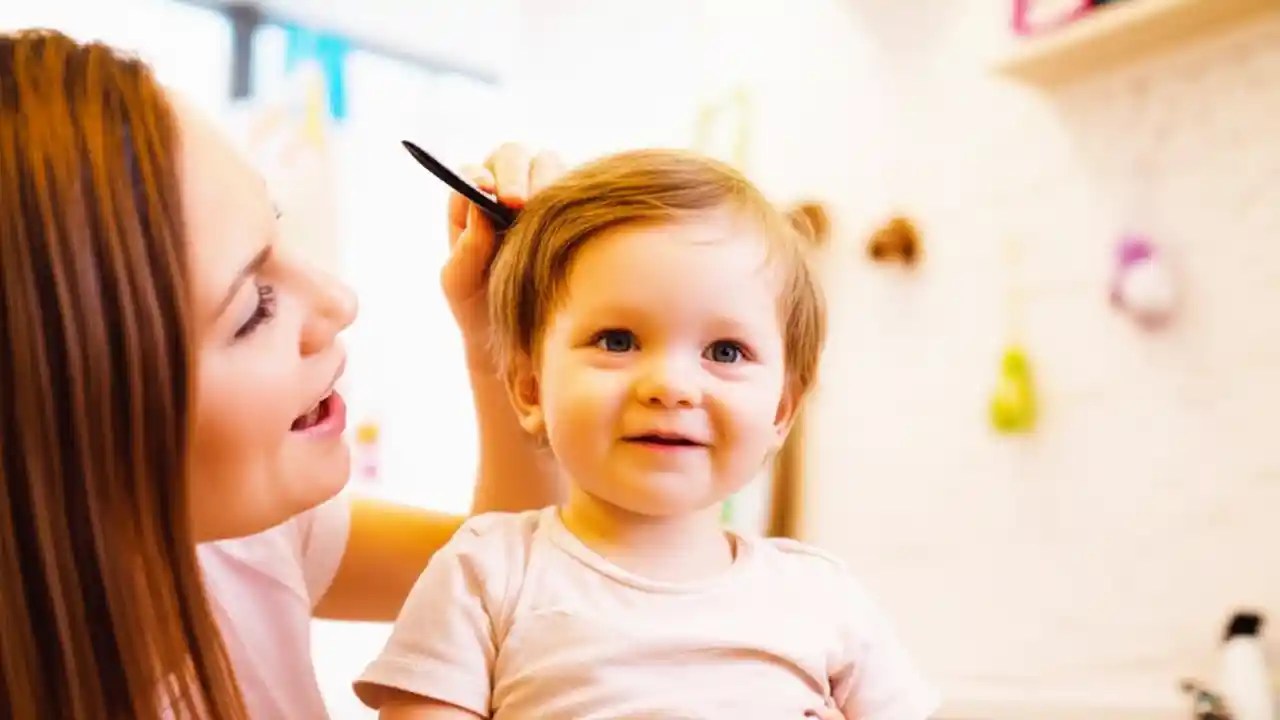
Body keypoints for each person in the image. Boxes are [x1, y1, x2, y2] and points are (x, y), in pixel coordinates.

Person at [0, 29, 562, 719]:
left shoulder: (243, 543)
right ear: (65, 419)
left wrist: (498, 336)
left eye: (278, 232)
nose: (339, 304)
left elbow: (515, 574)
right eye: (252, 308)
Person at [353, 150, 940, 719]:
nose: (671, 385)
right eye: (617, 340)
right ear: (530, 387)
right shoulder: (484, 572)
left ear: (782, 410)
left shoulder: (821, 596)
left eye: (725, 351)